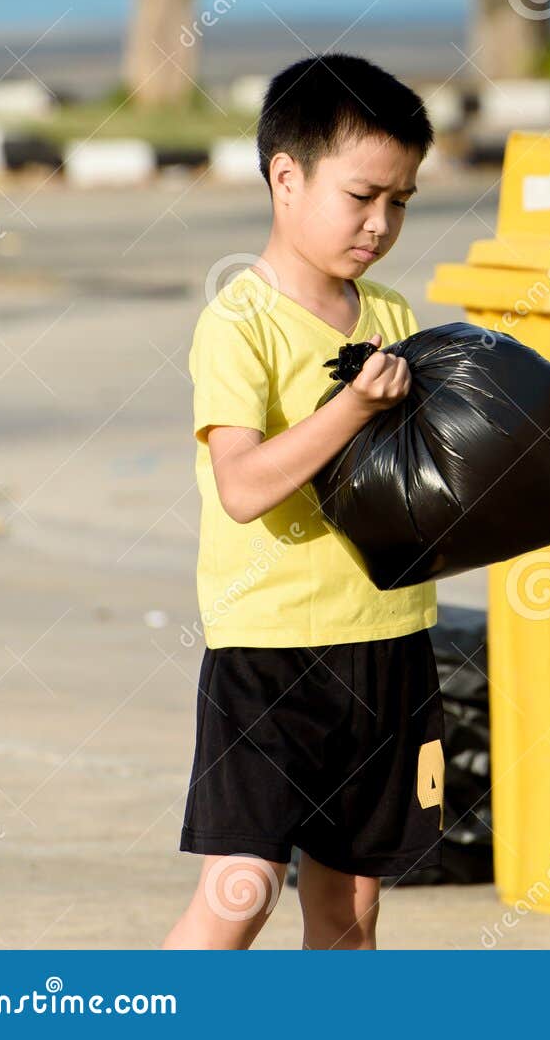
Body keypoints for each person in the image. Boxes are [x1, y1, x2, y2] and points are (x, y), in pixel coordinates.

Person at [164, 53, 441, 949]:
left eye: (401, 201)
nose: (381, 223)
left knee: (350, 909)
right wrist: (352, 406)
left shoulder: (392, 315)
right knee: (242, 890)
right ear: (287, 175)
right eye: (362, 195)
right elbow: (243, 487)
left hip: (387, 639)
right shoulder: (237, 322)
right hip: (272, 650)